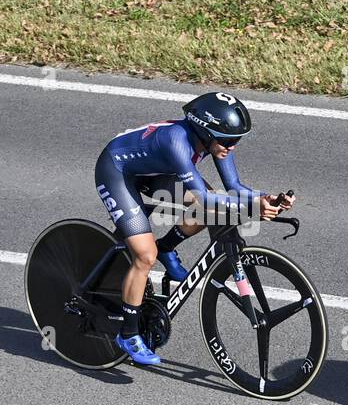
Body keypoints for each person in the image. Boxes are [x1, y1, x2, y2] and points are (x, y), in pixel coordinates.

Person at [93, 91, 293, 365]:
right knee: (144, 256)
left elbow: (234, 188)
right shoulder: (176, 141)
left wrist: (265, 197)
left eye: (237, 140)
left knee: (213, 210)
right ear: (205, 131)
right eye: (228, 141)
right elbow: (205, 200)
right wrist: (251, 209)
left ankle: (167, 246)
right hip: (117, 172)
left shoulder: (216, 141)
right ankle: (128, 334)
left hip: (151, 172)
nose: (232, 147)